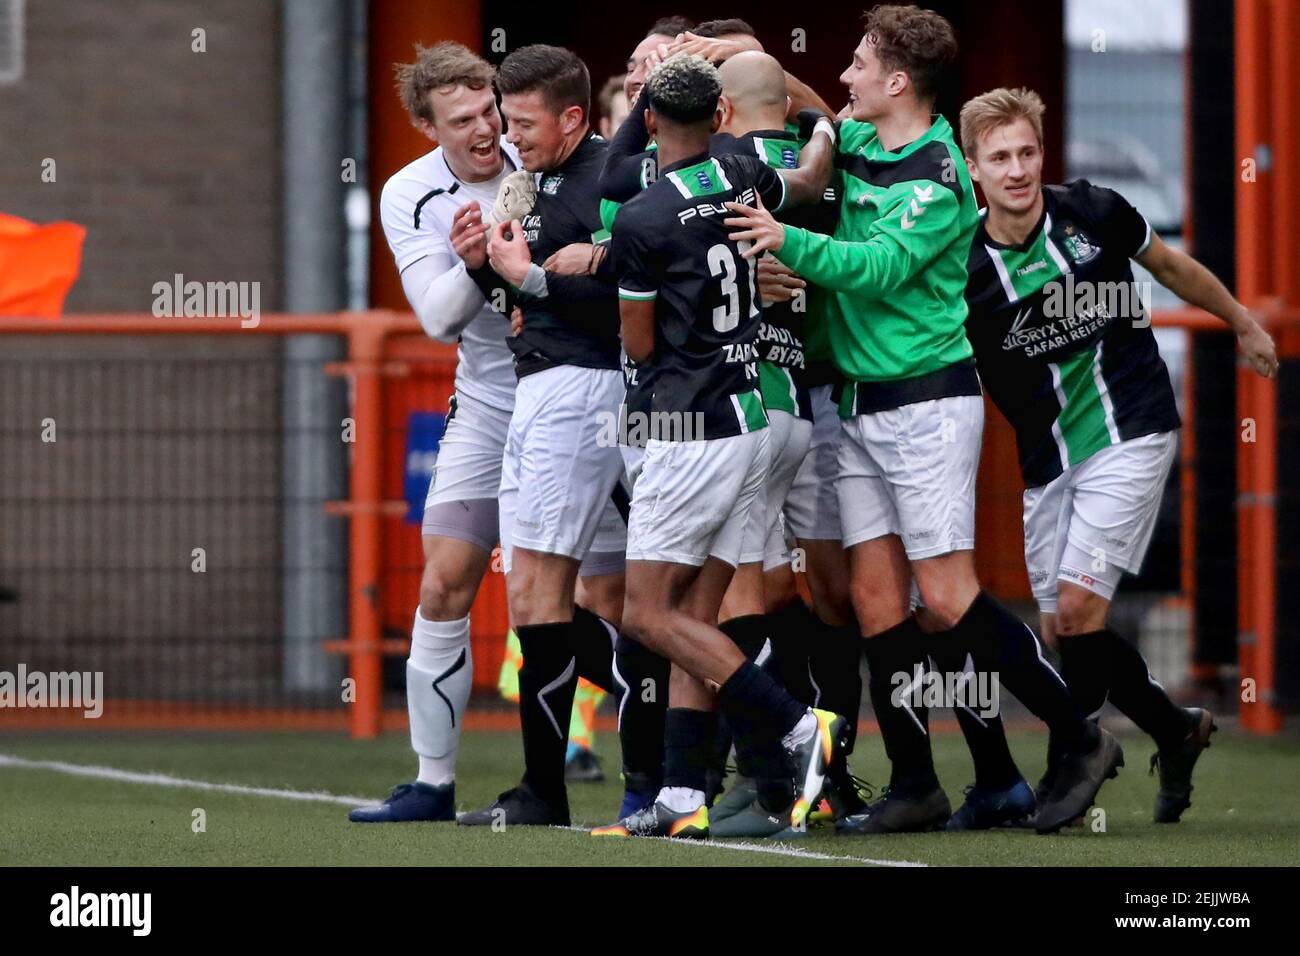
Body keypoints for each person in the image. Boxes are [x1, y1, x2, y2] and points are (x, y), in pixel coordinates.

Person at [724, 4, 1123, 834]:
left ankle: (1078, 732)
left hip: (929, 408)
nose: (846, 75)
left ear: (897, 83)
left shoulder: (941, 175)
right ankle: (916, 783)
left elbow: (877, 268)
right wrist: (736, 53)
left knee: (946, 599)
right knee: (879, 604)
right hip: (864, 409)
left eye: (860, 64)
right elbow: (816, 110)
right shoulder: (865, 140)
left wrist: (779, 239)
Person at [959, 86, 1277, 823]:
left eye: (1027, 152)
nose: (1017, 170)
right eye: (999, 157)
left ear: (1044, 153)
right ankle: (1175, 728)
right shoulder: (961, 263)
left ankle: (1074, 759)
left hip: (1132, 428)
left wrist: (1240, 321)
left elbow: (1170, 267)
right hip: (1048, 461)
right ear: (974, 169)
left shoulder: (1094, 212)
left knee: (1076, 609)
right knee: (1064, 631)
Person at [589, 53, 845, 840]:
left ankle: (798, 728)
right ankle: (680, 794)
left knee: (648, 615)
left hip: (686, 425)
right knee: (698, 615)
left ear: (653, 121)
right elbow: (804, 185)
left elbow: (638, 338)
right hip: (750, 417)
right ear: (723, 118)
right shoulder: (743, 174)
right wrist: (826, 129)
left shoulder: (640, 216)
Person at [455, 45, 640, 827]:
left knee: (539, 594)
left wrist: (531, 280)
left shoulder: (612, 179)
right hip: (542, 387)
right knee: (577, 597)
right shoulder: (529, 181)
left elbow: (630, 303)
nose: (507, 137)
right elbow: (522, 292)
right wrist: (481, 268)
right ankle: (718, 714)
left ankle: (547, 789)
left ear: (572, 117)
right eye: (504, 119)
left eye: (522, 123)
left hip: (583, 391)